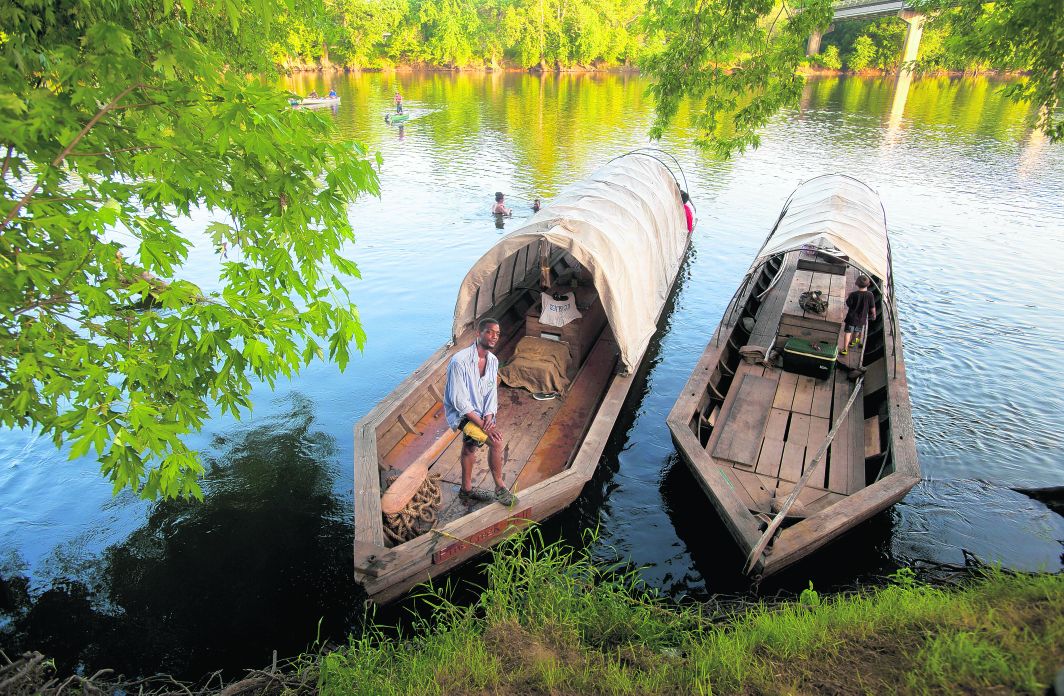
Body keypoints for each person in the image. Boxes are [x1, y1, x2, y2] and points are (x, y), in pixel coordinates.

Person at [443, 318, 517, 506]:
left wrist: (490, 417)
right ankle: (500, 488)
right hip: (461, 415)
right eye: (489, 332)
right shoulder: (459, 361)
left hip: (482, 414)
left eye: (497, 334)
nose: (494, 337)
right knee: (496, 443)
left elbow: (491, 393)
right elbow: (459, 401)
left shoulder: (492, 361)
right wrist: (484, 424)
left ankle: (466, 491)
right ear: (478, 334)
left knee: (470, 447)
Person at [841, 275, 876, 356]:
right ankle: (852, 343)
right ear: (869, 284)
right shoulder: (870, 295)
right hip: (861, 319)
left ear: (857, 283)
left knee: (848, 332)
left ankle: (845, 349)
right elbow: (872, 307)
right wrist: (874, 315)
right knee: (857, 331)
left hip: (851, 318)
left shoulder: (853, 294)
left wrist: (849, 296)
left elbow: (848, 304)